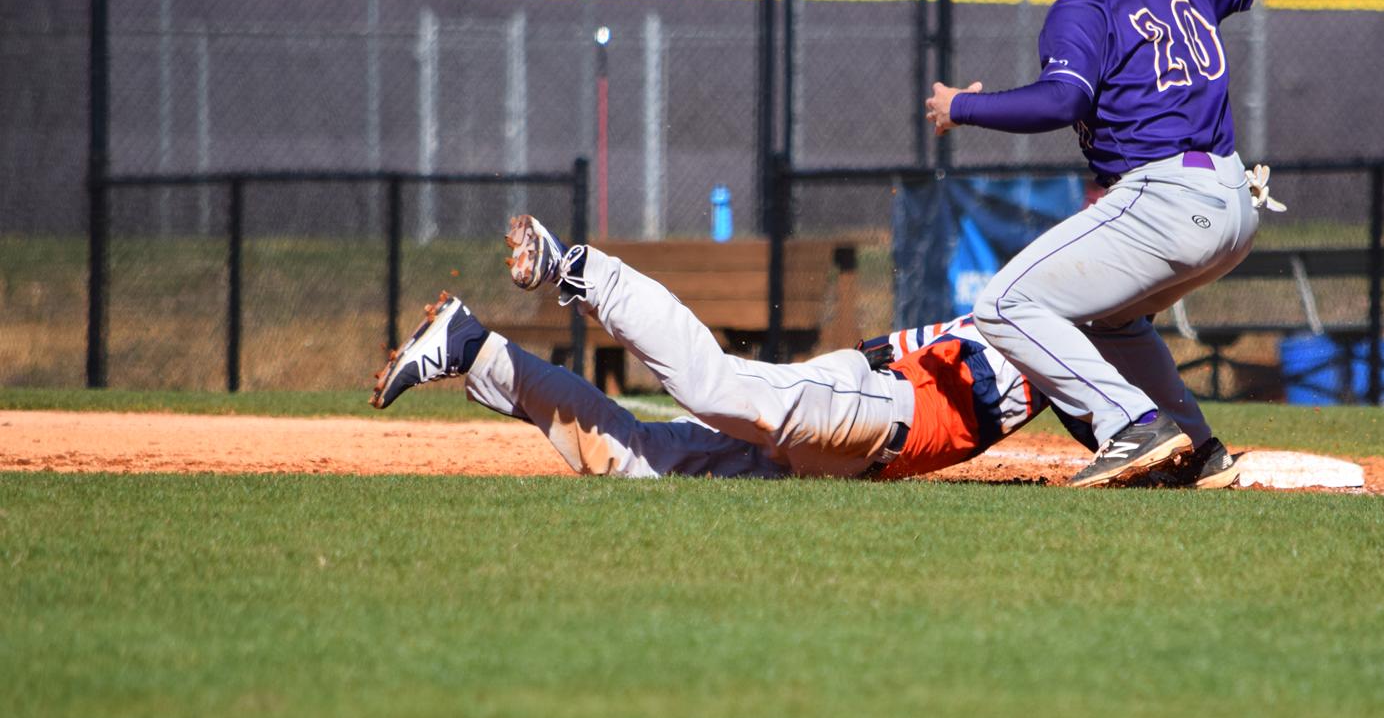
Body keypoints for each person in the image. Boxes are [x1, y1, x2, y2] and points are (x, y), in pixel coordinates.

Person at [924, 0, 1318, 488]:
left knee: (1003, 305)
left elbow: (1063, 98)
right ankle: (1196, 449)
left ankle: (1133, 424)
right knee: (1109, 321)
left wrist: (961, 107)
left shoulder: (1082, 7)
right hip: (1233, 202)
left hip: (1165, 199)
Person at [369, 216, 1049, 481]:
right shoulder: (1051, 320)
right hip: (876, 409)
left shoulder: (1071, 338)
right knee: (713, 388)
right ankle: (575, 268)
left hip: (843, 460)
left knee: (631, 460)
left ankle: (474, 349)